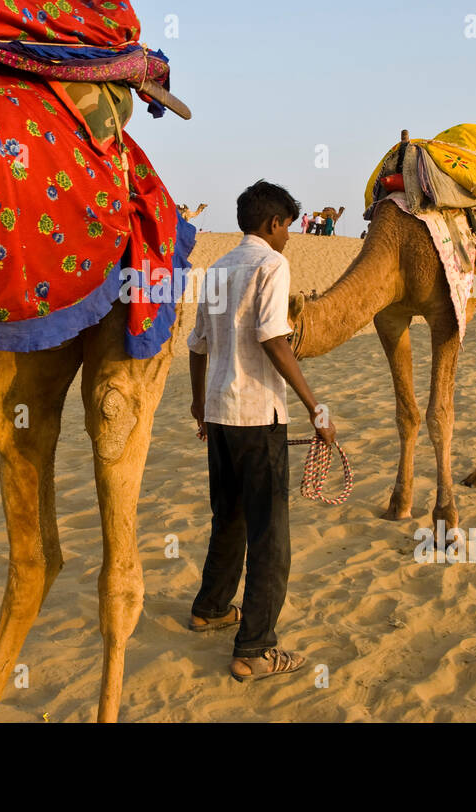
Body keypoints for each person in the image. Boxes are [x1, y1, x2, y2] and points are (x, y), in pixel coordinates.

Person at [186, 180, 337, 681]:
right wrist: (316, 409)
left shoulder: (217, 269)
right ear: (274, 224)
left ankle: (210, 607)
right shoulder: (271, 264)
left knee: (228, 517)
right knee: (271, 535)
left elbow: (197, 344)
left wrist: (198, 401)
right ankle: (255, 648)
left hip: (219, 414)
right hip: (257, 415)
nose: (289, 237)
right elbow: (273, 337)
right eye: (288, 227)